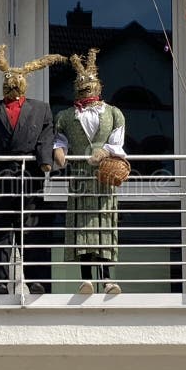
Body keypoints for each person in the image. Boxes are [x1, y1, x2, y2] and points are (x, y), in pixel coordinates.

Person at [0, 44, 66, 294]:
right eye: (9, 81)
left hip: (30, 174)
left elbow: (47, 135)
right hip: (2, 173)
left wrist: (45, 159)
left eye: (17, 81)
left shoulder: (40, 108)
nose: (13, 85)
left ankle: (37, 281)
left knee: (33, 229)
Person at [53, 48, 125, 295]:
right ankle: (86, 280)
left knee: (104, 226)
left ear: (99, 86)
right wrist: (59, 151)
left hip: (104, 178)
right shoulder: (64, 116)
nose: (86, 87)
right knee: (84, 229)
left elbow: (118, 143)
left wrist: (105, 151)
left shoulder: (114, 113)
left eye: (90, 83)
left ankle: (108, 280)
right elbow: (59, 140)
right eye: (81, 84)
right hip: (80, 178)